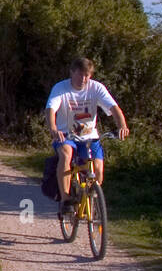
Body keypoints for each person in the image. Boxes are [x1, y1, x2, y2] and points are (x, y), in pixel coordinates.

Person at [46, 57, 129, 206]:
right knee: (66, 154)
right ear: (72, 72)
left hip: (89, 137)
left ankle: (91, 198)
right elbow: (51, 109)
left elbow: (113, 108)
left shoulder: (96, 88)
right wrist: (53, 128)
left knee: (98, 170)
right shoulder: (60, 88)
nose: (83, 79)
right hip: (66, 135)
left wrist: (122, 125)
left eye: (87, 75)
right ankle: (66, 200)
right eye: (79, 74)